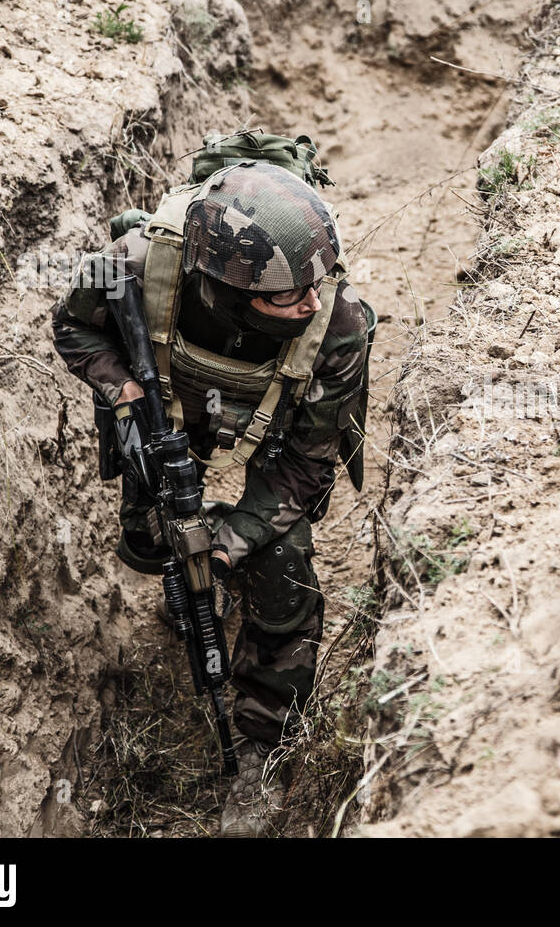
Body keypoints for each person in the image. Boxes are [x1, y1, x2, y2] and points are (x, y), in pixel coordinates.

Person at [51, 159, 372, 835]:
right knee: (149, 536)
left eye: (315, 285)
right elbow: (73, 328)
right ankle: (174, 557)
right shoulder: (134, 266)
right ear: (224, 289)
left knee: (282, 560)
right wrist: (129, 395)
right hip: (170, 399)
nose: (309, 303)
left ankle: (262, 741)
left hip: (276, 425)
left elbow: (308, 466)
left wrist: (226, 547)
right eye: (285, 297)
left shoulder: (335, 324)